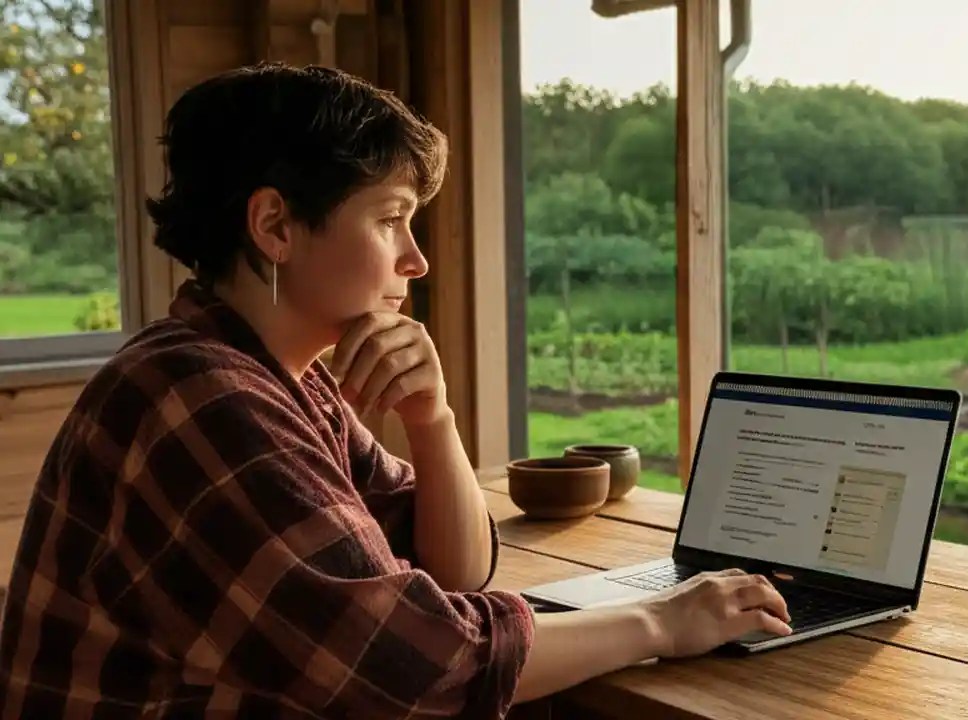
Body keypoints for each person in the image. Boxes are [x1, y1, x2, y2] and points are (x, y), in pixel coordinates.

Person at [0, 62, 791, 719]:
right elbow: (417, 666)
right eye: (392, 220)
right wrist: (662, 618)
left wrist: (432, 417)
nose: (416, 259)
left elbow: (458, 567)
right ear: (275, 226)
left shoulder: (284, 382)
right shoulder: (201, 398)